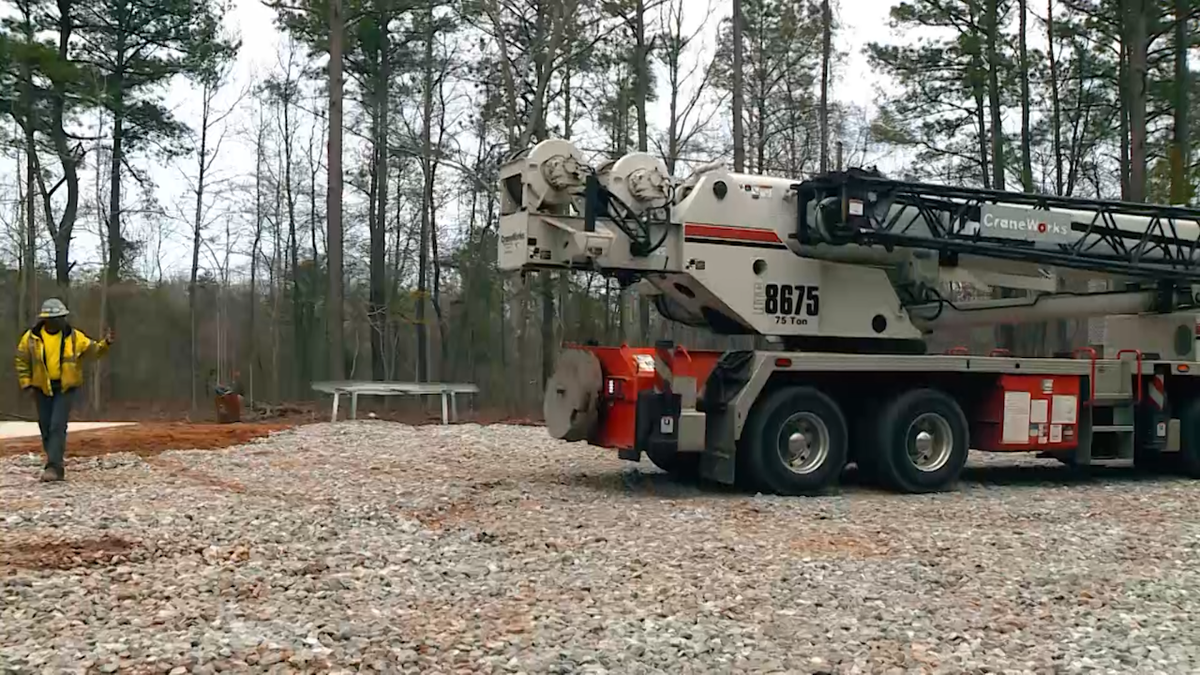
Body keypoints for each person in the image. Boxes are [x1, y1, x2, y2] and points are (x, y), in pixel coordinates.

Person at [13, 298, 114, 482]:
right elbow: (21, 360)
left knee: (57, 425)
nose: (60, 321)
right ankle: (54, 460)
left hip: (65, 388)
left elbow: (93, 350)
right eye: (56, 318)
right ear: (46, 319)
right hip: (41, 387)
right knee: (45, 426)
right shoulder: (31, 338)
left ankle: (54, 467)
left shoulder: (74, 336)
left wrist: (105, 344)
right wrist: (26, 383)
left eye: (62, 317)